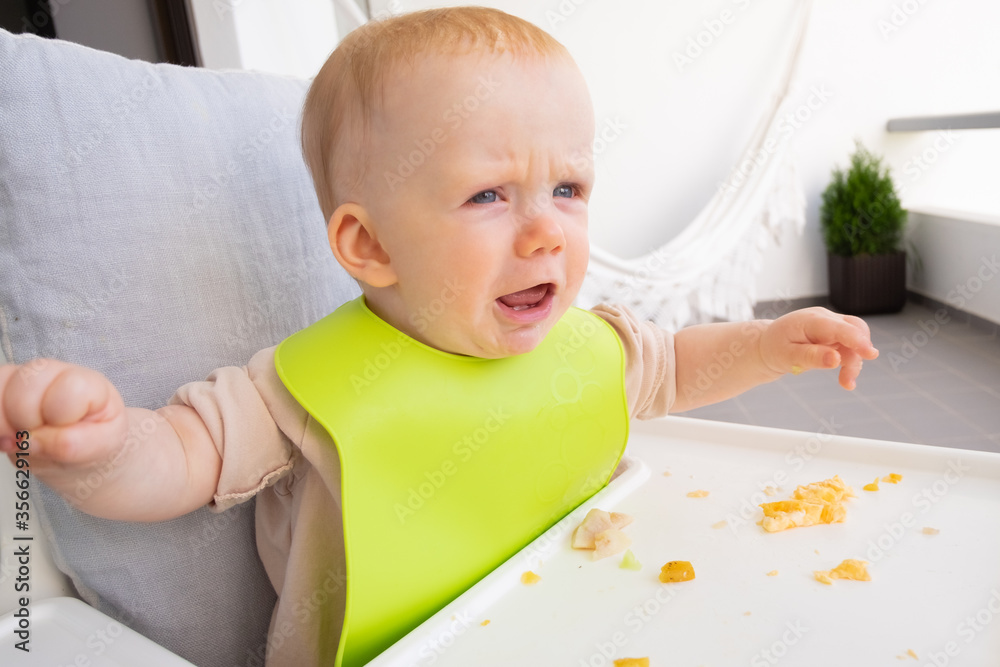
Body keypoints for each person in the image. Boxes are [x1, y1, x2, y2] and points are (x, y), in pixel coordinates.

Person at [0, 7, 878, 666]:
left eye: (567, 188)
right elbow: (181, 461)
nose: (546, 232)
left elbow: (678, 366)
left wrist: (769, 346)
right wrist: (101, 450)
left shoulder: (584, 345)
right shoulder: (305, 386)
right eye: (490, 195)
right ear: (369, 244)